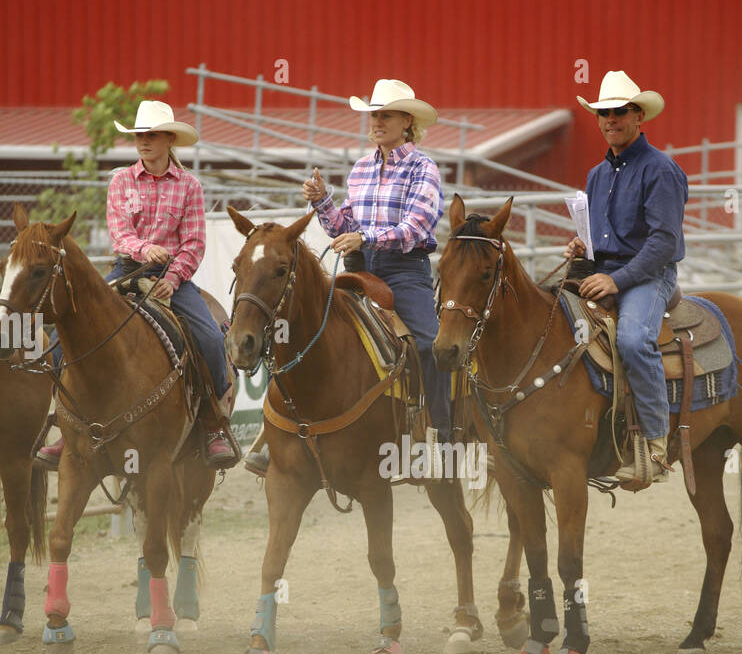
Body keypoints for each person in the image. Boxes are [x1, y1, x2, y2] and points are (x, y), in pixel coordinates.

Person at [244, 78, 449, 476]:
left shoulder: (423, 167)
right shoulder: (360, 168)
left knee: (428, 344)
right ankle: (276, 432)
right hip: (358, 270)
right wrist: (323, 200)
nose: (376, 121)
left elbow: (417, 227)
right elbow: (343, 228)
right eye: (373, 114)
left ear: (407, 121)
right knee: (297, 329)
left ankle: (440, 435)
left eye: (385, 114)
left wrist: (365, 236)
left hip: (405, 274)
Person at [37, 100, 236, 468]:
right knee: (60, 342)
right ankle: (66, 424)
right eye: (140, 136)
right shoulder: (122, 181)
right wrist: (146, 250)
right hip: (126, 271)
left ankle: (213, 424)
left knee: (210, 337)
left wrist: (173, 278)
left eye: (152, 135)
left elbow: (194, 243)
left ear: (168, 140)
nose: (144, 142)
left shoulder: (189, 186)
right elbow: (120, 235)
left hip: (172, 279)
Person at [565, 70, 688, 488]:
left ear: (639, 116)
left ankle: (656, 445)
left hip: (649, 274)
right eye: (604, 113)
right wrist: (581, 247)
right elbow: (601, 234)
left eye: (619, 112)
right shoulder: (598, 175)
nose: (610, 120)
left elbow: (664, 243)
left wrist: (617, 281)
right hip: (605, 271)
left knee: (634, 340)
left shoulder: (661, 170)